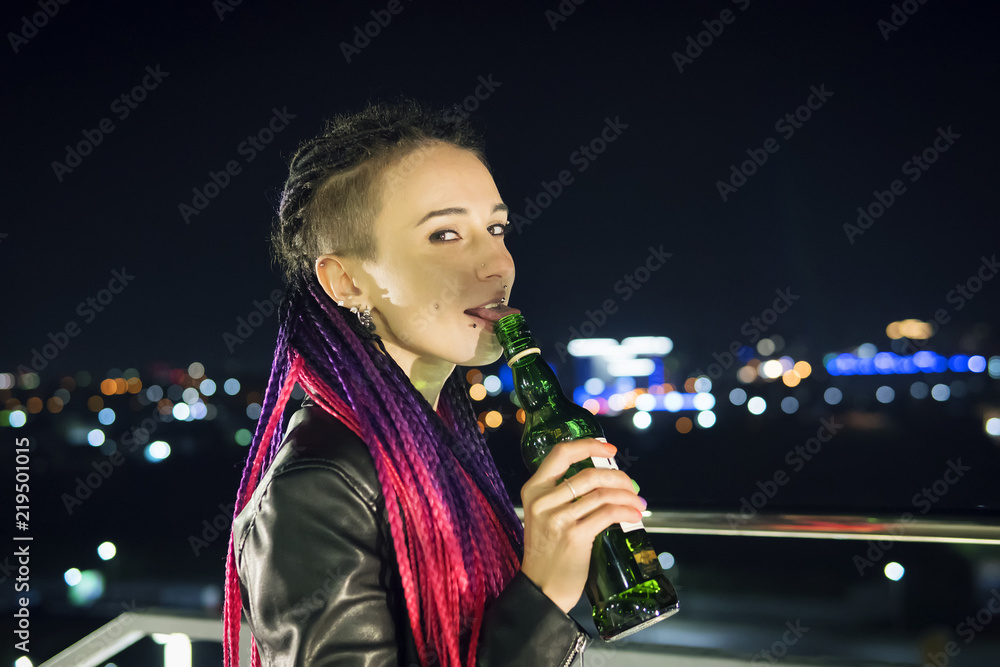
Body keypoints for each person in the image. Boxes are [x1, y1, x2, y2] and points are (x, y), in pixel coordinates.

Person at [222, 98, 647, 666]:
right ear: (346, 280)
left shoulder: (436, 438)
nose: (498, 263)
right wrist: (541, 593)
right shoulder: (319, 486)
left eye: (496, 228)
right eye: (445, 235)